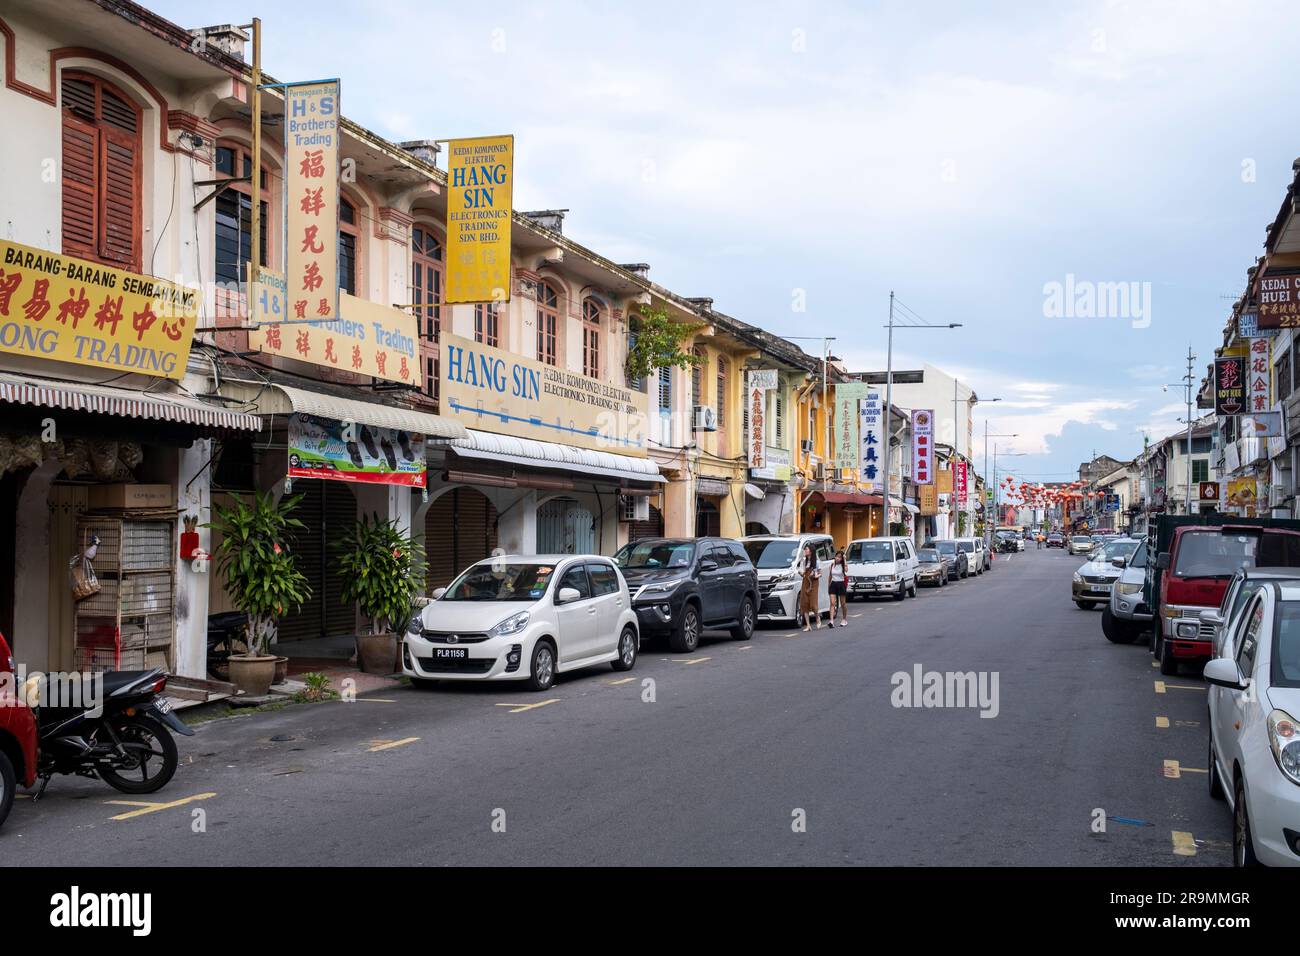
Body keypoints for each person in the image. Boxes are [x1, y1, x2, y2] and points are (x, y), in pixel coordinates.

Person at [797, 542, 821, 631]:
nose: (805, 551)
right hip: (805, 582)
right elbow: (803, 573)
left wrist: (815, 576)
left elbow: (820, 574)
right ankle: (808, 625)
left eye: (806, 549)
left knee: (813, 604)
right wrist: (801, 573)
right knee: (804, 603)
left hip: (814, 583)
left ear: (811, 551)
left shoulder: (817, 562)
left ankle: (817, 617)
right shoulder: (804, 561)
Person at [828, 548, 849, 627]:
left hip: (841, 584)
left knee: (843, 604)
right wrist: (828, 586)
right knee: (832, 603)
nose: (837, 558)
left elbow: (846, 570)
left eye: (840, 557)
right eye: (837, 556)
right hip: (833, 584)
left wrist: (845, 559)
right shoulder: (832, 565)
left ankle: (844, 619)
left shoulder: (843, 565)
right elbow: (830, 576)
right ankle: (831, 621)